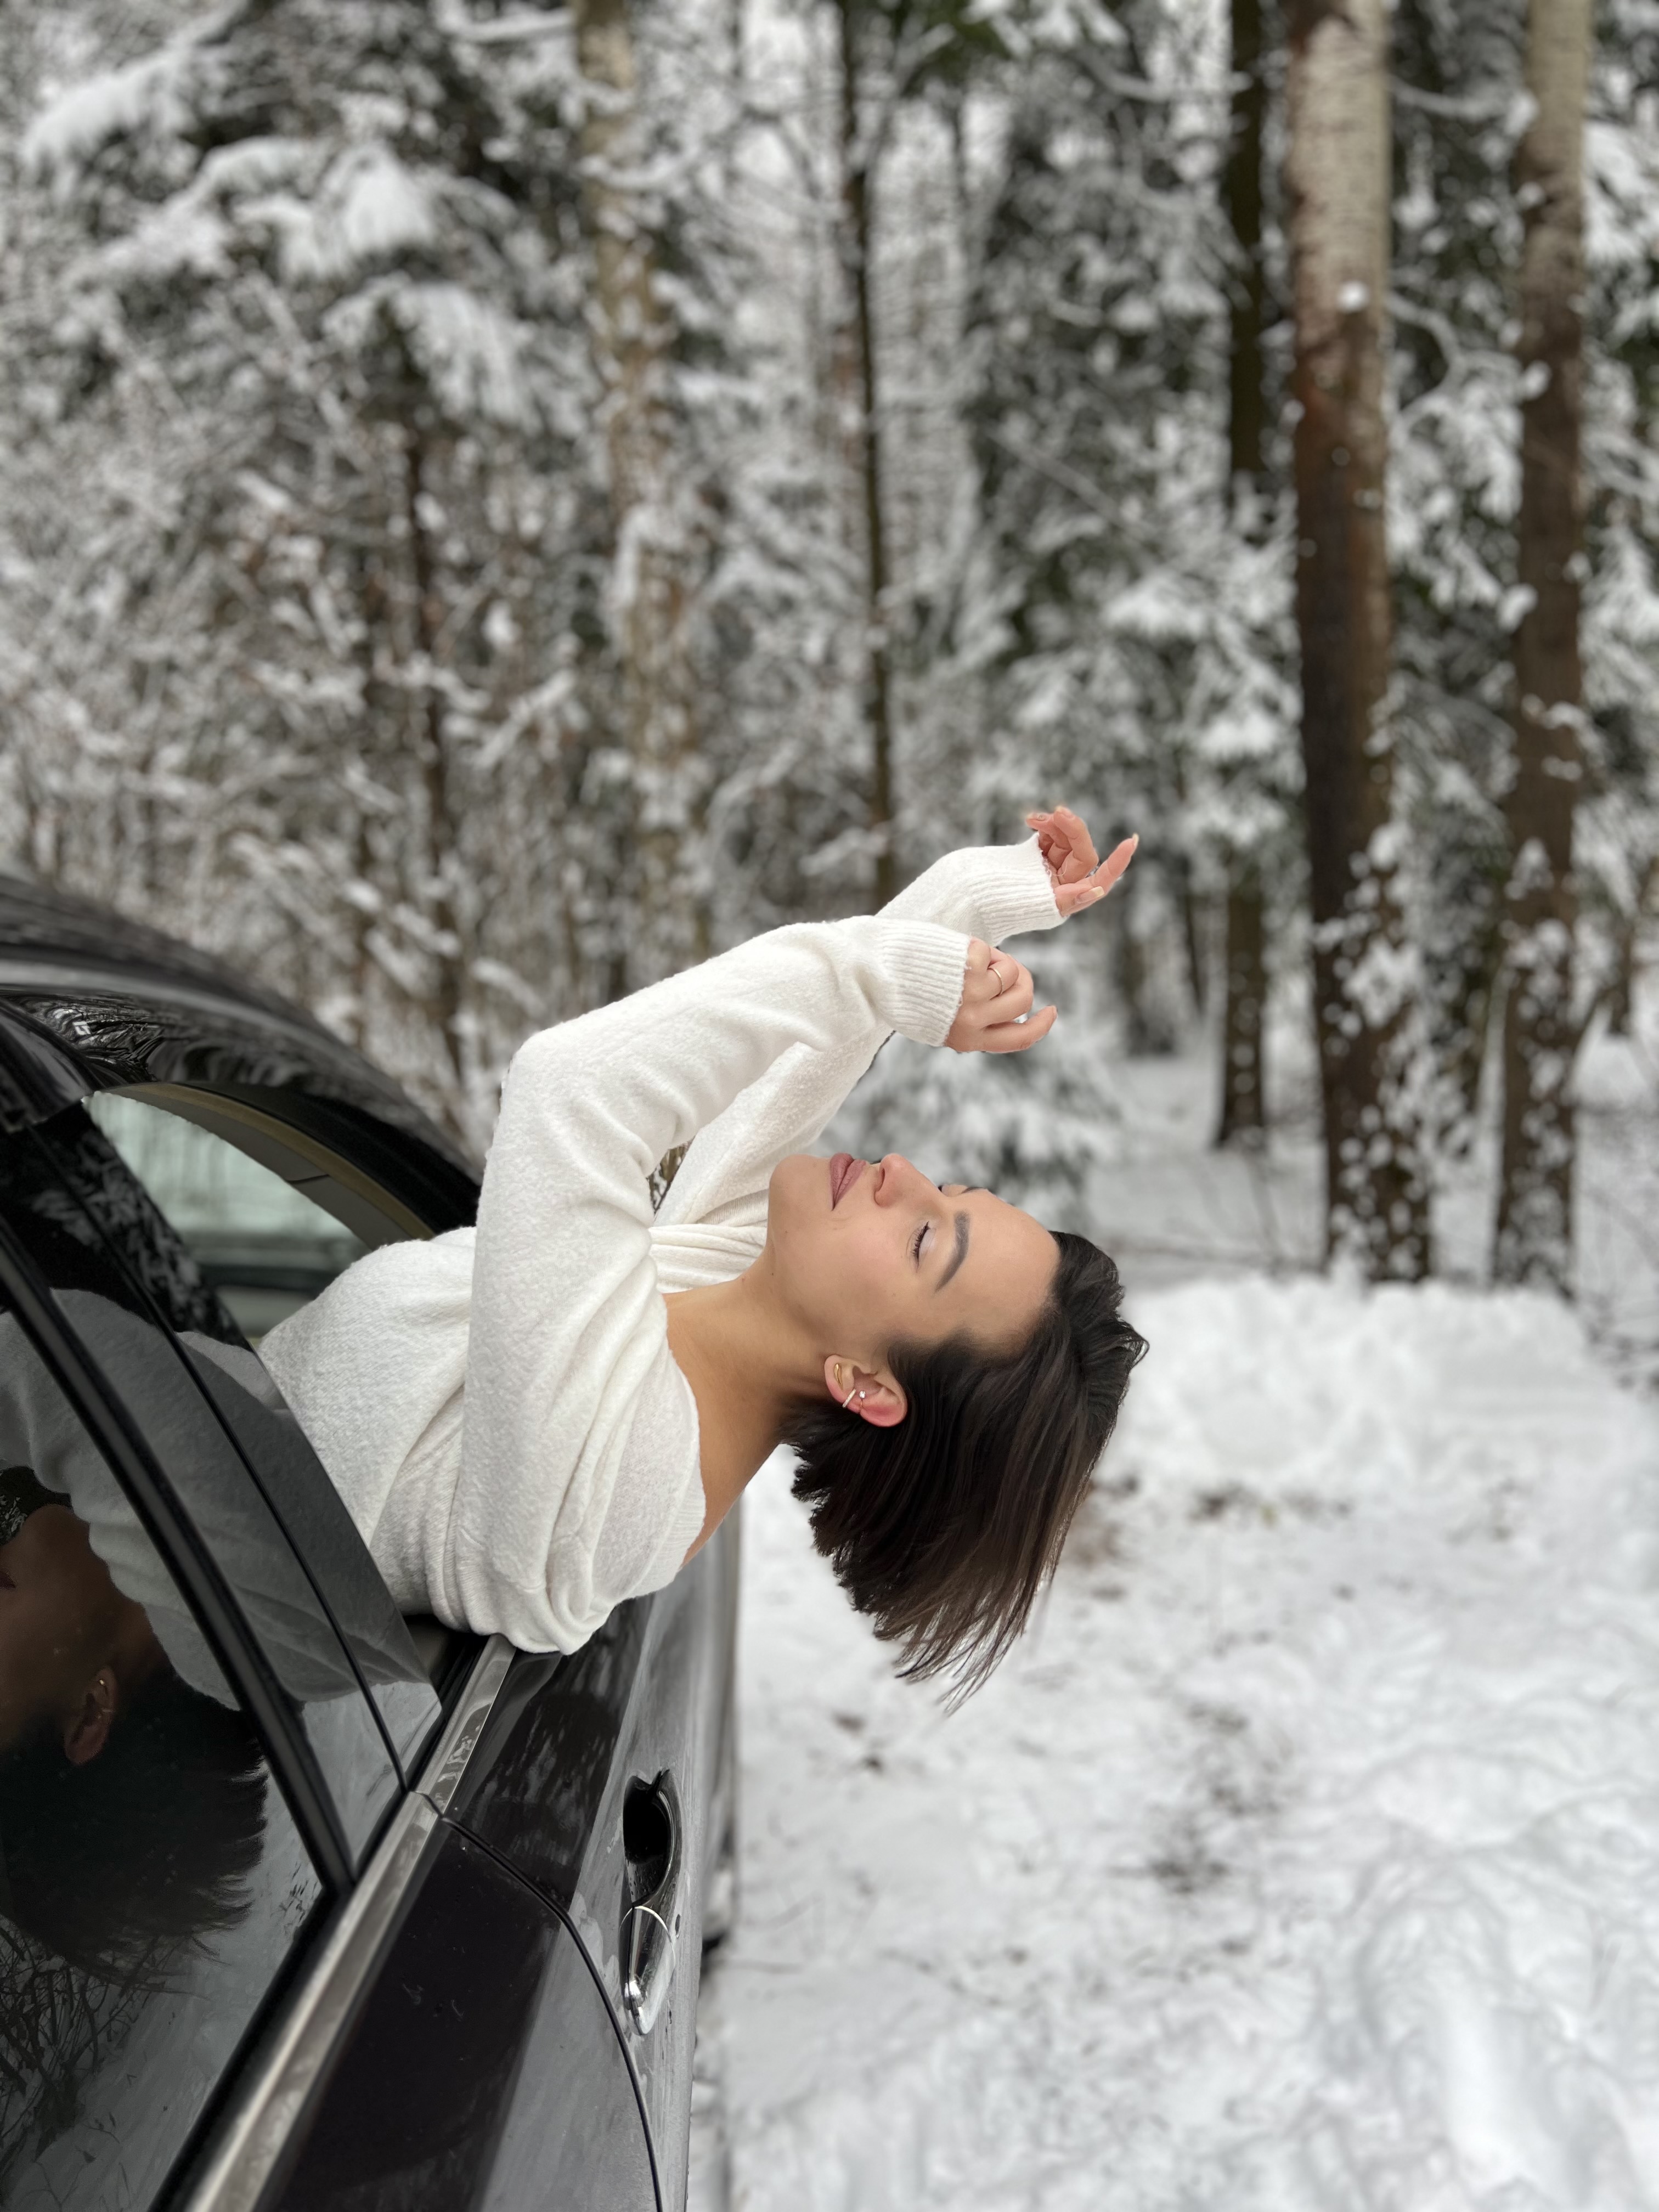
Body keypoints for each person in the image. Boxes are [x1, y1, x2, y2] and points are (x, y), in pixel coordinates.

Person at [262, 806, 1149, 1695]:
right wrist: (982, 898)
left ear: (867, 1384)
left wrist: (883, 973)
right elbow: (817, 1044)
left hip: (140, 1584)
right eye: (950, 1190)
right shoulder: (721, 1278)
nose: (903, 1174)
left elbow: (566, 1093)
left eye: (925, 1239)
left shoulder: (619, 1504)